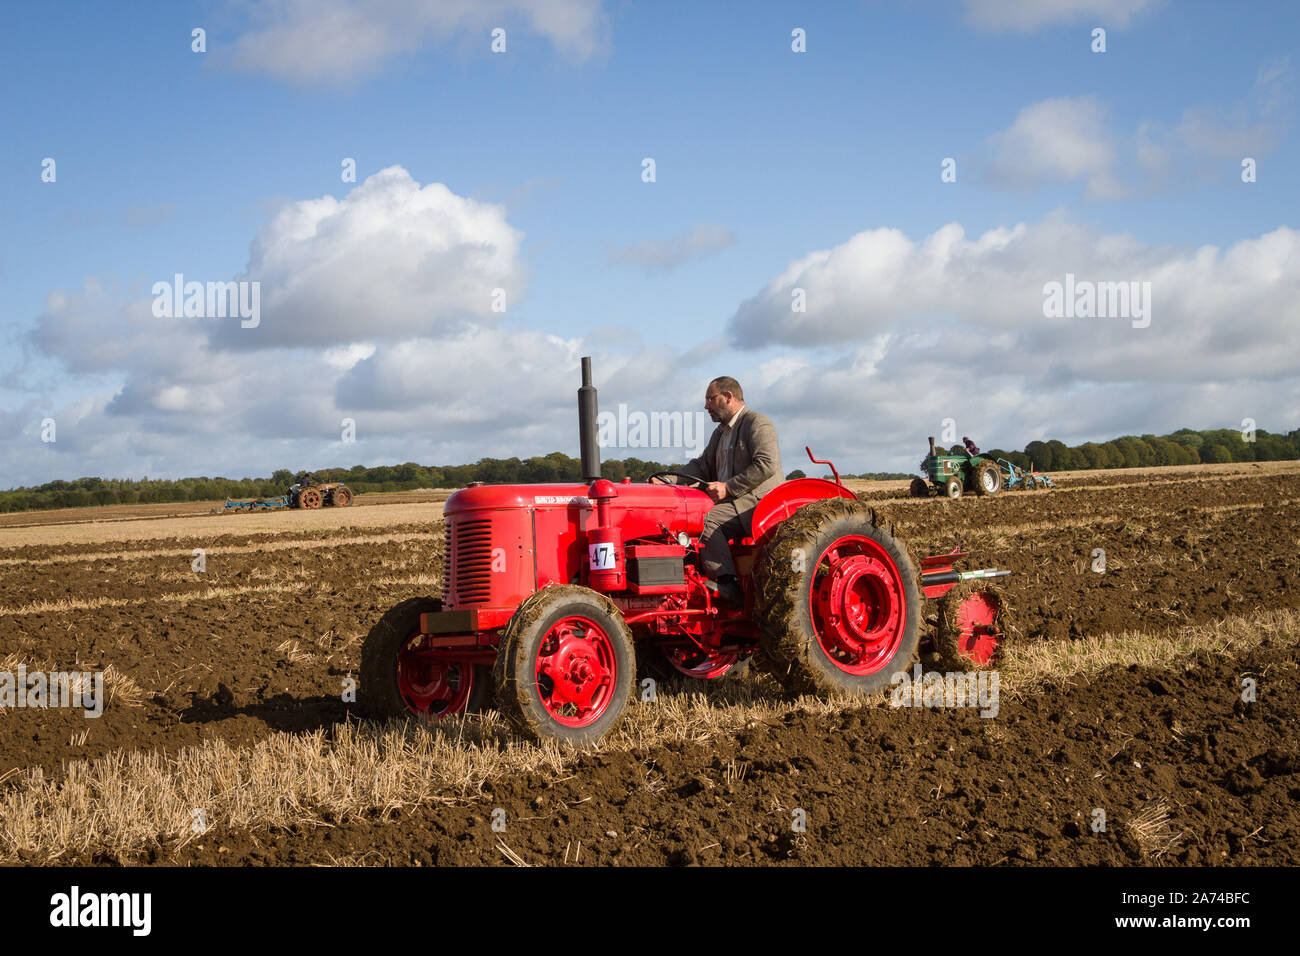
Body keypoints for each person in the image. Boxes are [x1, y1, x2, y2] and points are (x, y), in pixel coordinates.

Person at [676, 376, 782, 607]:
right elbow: (702, 467)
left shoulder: (756, 423)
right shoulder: (721, 433)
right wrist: (669, 481)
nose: (706, 406)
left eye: (710, 399)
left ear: (728, 397)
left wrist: (728, 487)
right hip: (732, 503)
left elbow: (766, 464)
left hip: (755, 503)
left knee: (704, 520)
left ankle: (728, 583)